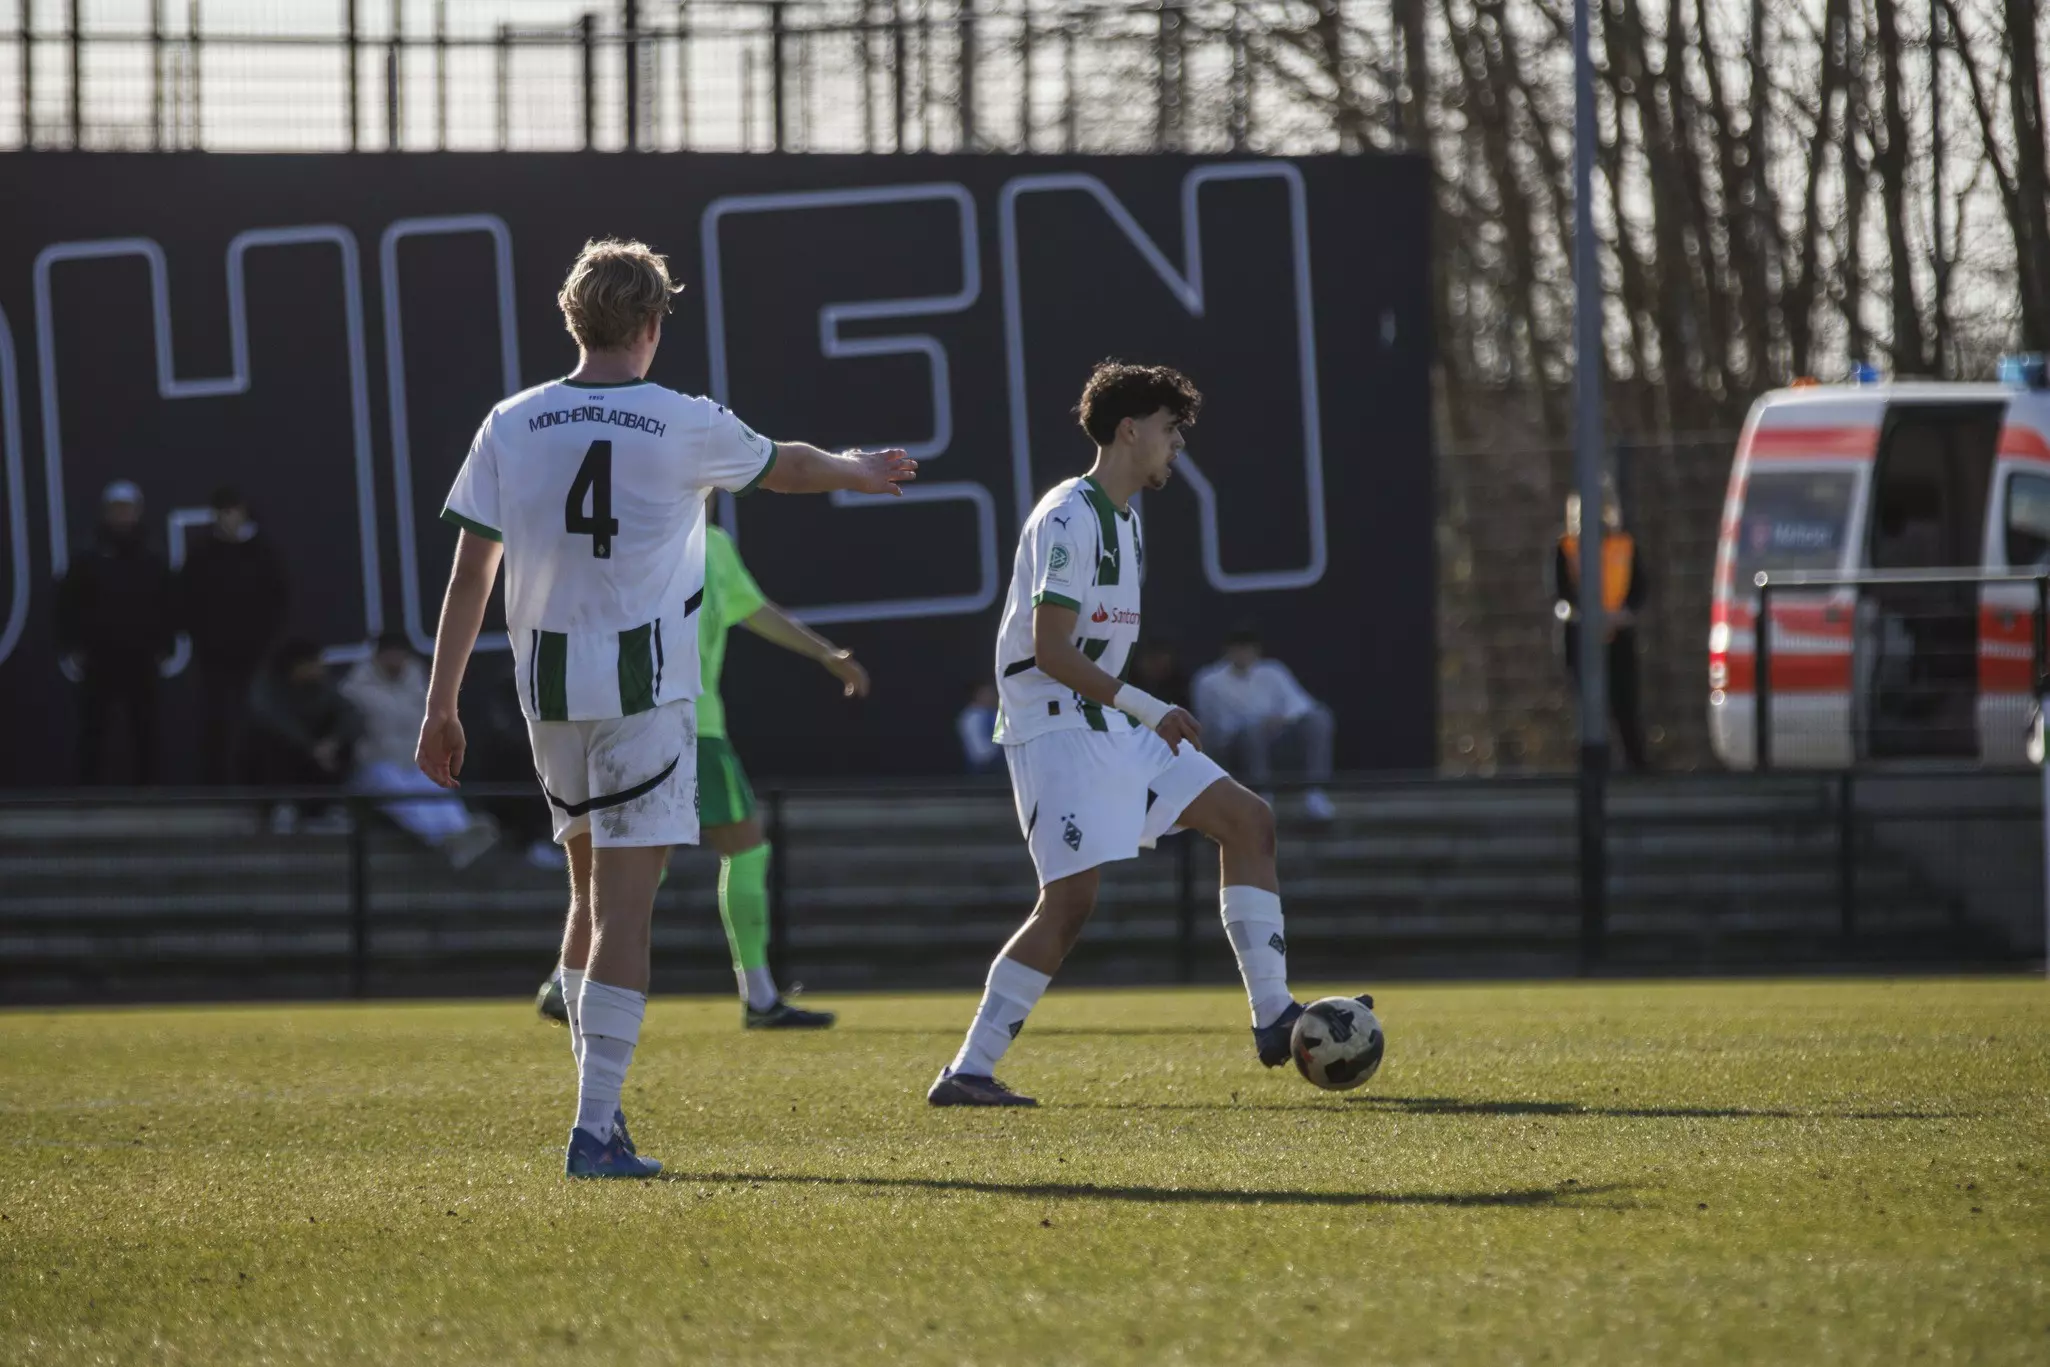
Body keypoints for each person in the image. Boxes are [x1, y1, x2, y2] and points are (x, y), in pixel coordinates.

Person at [415, 236, 915, 1179]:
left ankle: (595, 1114)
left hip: (546, 691)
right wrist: (859, 466)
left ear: (573, 318)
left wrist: (440, 705)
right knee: (626, 912)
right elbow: (789, 466)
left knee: (583, 896)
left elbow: (468, 575)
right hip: (643, 689)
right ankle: (595, 1125)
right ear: (651, 326)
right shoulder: (682, 419)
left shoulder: (510, 422)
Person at [927, 361, 1369, 1108]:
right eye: (1169, 431)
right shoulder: (1071, 515)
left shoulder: (1127, 519)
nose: (1176, 448)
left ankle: (1272, 1016)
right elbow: (1051, 651)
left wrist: (1134, 709)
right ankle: (968, 1069)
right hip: (1056, 728)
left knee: (1248, 819)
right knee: (1067, 905)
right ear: (1129, 430)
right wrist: (1147, 705)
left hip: (1110, 722)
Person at [535, 512, 865, 1028]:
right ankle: (758, 998)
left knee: (641, 857)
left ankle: (568, 978)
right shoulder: (684, 540)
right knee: (742, 847)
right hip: (692, 724)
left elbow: (753, 609)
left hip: (636, 722)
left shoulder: (673, 542)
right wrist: (825, 654)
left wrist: (825, 652)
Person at [341, 633, 497, 868]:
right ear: (378, 656)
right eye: (389, 653)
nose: (395, 659)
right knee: (400, 794)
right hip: (373, 764)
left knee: (436, 786)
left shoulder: (421, 685)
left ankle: (463, 830)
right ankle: (443, 839)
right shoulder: (354, 689)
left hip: (414, 761)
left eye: (400, 653)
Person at [56, 480, 175, 784]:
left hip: (142, 658)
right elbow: (66, 606)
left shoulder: (153, 561)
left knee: (145, 730)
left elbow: (169, 606)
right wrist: (72, 645)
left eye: (128, 508)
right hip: (99, 658)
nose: (122, 515)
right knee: (93, 730)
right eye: (116, 509)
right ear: (105, 513)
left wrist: (165, 645)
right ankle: (86, 795)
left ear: (139, 512)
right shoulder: (86, 560)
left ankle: (149, 794)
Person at [178, 487, 289, 784]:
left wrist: (264, 640)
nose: (229, 517)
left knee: (257, 717)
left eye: (234, 510)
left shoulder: (264, 553)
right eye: (223, 511)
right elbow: (186, 599)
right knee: (215, 720)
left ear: (244, 512)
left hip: (255, 653)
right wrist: (204, 637)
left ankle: (256, 784)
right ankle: (215, 784)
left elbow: (278, 601)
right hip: (214, 654)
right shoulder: (201, 554)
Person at [1189, 628, 1337, 821]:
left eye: (1248, 649)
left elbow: (1301, 704)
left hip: (1277, 738)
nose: (1243, 655)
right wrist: (1258, 723)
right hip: (1235, 744)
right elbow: (1213, 725)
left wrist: (1282, 719)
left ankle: (1315, 792)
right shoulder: (1209, 680)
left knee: (1320, 718)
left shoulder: (1273, 671)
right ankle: (1262, 796)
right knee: (1253, 732)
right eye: (1238, 649)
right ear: (1228, 651)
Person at [1553, 489, 1649, 770]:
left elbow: (1639, 590)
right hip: (1581, 637)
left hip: (1618, 635)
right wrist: (1585, 617)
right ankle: (1594, 767)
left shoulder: (1624, 545)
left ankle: (1636, 765)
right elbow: (1561, 594)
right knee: (1589, 708)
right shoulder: (1566, 547)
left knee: (1624, 704)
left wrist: (1619, 616)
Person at [246, 637, 363, 831]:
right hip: (281, 758)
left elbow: (350, 715)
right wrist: (311, 748)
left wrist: (333, 742)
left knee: (344, 747)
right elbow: (274, 723)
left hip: (318, 757)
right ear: (298, 666)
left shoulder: (323, 687)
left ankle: (329, 808)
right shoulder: (267, 688)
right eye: (315, 663)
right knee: (270, 745)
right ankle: (281, 807)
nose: (321, 667)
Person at [956, 681, 1002, 774]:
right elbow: (980, 750)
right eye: (986, 693)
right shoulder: (972, 716)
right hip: (983, 767)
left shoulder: (995, 713)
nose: (991, 696)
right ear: (977, 695)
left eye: (992, 693)